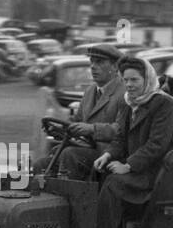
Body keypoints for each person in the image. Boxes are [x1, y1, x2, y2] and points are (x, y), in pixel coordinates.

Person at [93, 57, 173, 228]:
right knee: (96, 173)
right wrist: (108, 155)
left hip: (162, 170)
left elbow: (157, 145)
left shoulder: (163, 104)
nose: (129, 84)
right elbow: (120, 138)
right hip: (142, 166)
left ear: (147, 80)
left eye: (134, 80)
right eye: (126, 80)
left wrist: (127, 166)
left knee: (113, 183)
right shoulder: (129, 103)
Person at [35, 43, 127, 179]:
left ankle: (71, 198)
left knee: (70, 155)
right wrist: (60, 128)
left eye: (100, 62)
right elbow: (77, 121)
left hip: (111, 155)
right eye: (92, 62)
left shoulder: (125, 93)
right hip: (86, 149)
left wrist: (92, 129)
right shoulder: (90, 91)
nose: (93, 67)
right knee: (41, 164)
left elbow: (121, 130)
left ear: (114, 67)